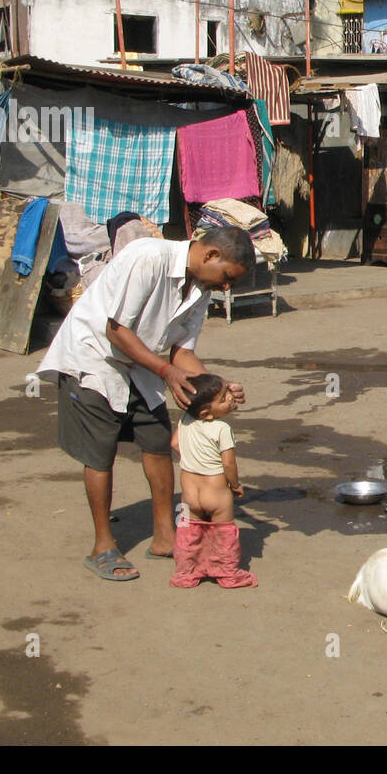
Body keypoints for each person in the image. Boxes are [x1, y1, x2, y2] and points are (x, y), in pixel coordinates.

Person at [39, 226, 253, 581]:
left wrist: (218, 387)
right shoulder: (147, 257)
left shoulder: (200, 288)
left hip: (142, 365)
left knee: (156, 440)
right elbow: (116, 329)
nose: (226, 287)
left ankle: (165, 537)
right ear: (210, 256)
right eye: (228, 277)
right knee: (100, 452)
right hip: (93, 358)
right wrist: (166, 371)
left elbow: (183, 352)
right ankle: (103, 546)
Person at [169, 373, 257, 589]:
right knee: (224, 534)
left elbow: (174, 443)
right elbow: (228, 464)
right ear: (207, 414)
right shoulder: (222, 429)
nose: (229, 398)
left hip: (190, 495)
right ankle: (228, 574)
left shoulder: (185, 420)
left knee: (188, 534)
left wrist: (191, 457)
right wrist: (235, 485)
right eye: (223, 398)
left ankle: (186, 574)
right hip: (216, 494)